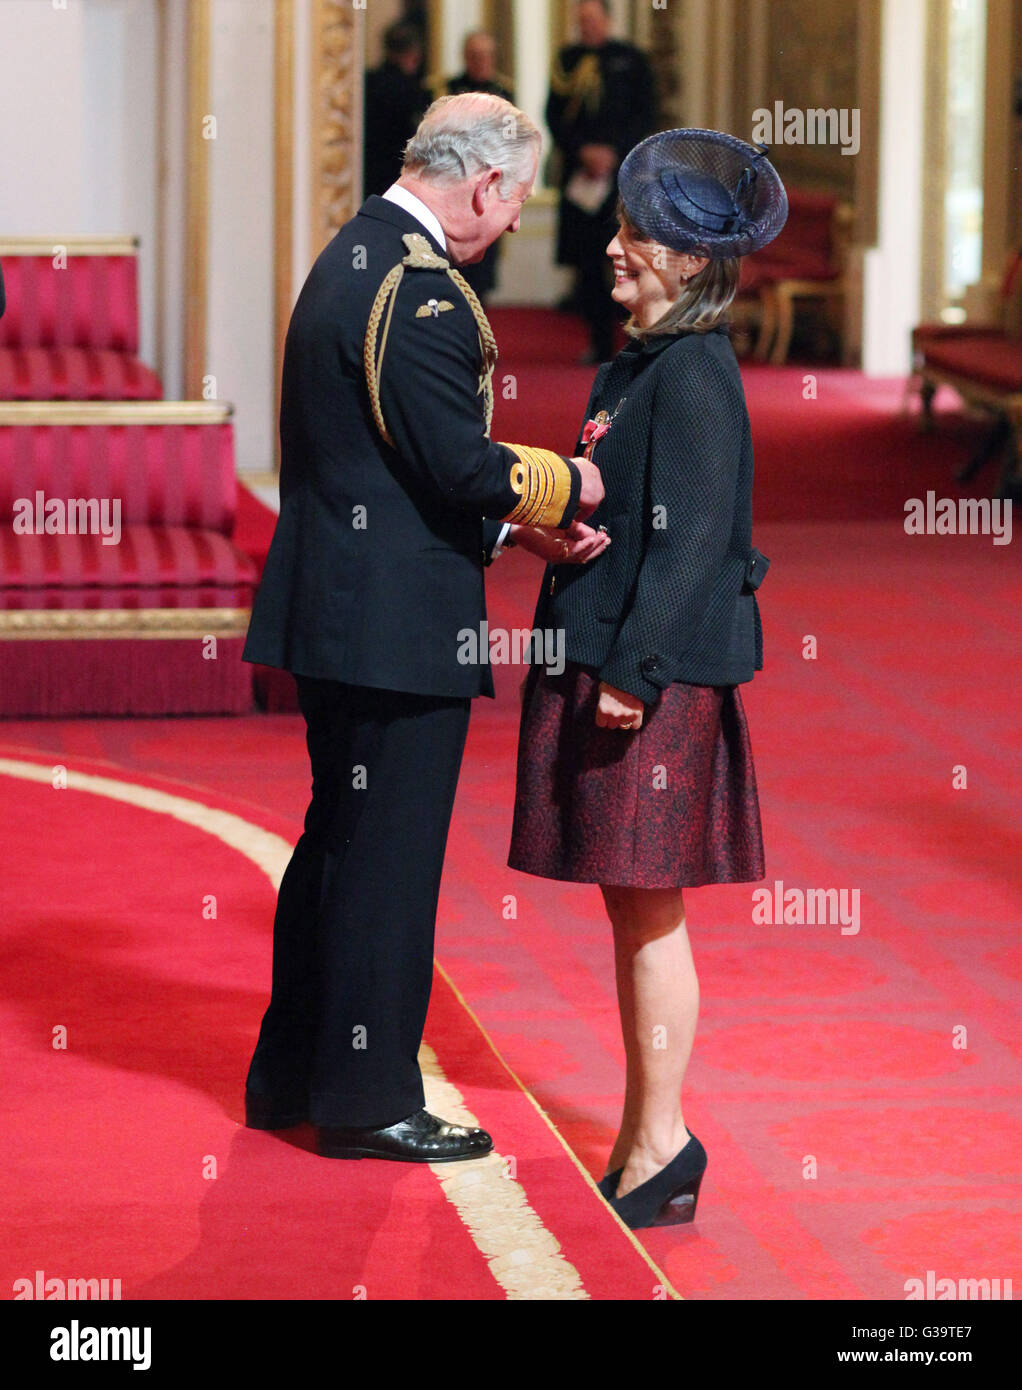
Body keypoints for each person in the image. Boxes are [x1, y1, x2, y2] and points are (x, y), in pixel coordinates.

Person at [243, 92, 605, 1165]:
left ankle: (295, 1073)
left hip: (337, 607)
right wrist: (569, 483)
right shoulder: (423, 290)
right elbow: (455, 463)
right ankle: (364, 1099)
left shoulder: (355, 252)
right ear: (486, 185)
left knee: (336, 848)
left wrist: (515, 535)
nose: (510, 224)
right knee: (386, 864)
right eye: (516, 203)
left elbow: (386, 463)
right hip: (394, 628)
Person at [508, 128, 788, 1226]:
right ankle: (643, 1136)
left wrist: (632, 672)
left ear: (684, 262)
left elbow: (694, 546)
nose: (612, 250)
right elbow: (628, 516)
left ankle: (663, 1139)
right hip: (621, 657)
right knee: (632, 909)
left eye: (633, 238)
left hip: (649, 678)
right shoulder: (645, 361)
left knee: (649, 910)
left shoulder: (697, 376)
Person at [546, 0, 656, 362]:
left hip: (625, 177)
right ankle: (599, 344)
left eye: (592, 20)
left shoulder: (632, 61)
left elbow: (646, 115)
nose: (586, 27)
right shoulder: (567, 60)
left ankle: (639, 343)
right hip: (581, 178)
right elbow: (554, 116)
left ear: (607, 20)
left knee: (633, 261)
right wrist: (583, 152)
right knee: (590, 263)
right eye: (581, 21)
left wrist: (614, 153)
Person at [441, 32, 514, 302]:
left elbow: (510, 144)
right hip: (454, 190)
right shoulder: (447, 91)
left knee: (481, 275)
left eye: (485, 56)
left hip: (488, 194)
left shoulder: (504, 93)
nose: (480, 61)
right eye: (474, 55)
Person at [362, 22, 430, 198]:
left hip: (366, 173)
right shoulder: (413, 91)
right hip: (400, 177)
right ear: (414, 54)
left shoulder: (367, 83)